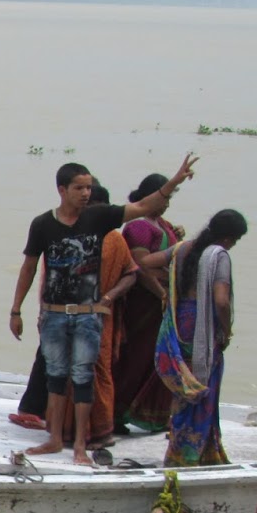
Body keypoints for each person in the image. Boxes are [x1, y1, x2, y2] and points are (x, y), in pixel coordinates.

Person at [10, 154, 196, 465]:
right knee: (56, 379)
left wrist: (174, 182)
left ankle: (81, 446)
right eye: (79, 188)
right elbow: (28, 267)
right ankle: (54, 440)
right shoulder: (42, 224)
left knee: (83, 380)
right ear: (62, 189)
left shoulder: (98, 219)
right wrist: (16, 310)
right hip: (55, 313)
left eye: (88, 188)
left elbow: (142, 208)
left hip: (87, 313)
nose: (85, 193)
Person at [56, 184, 139, 448]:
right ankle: (69, 433)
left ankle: (97, 433)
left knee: (94, 372)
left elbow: (131, 273)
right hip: (72, 314)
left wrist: (108, 297)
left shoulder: (114, 239)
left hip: (97, 315)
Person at [163, 209, 246, 466]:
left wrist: (164, 287)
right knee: (203, 384)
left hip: (182, 322)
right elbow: (220, 300)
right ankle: (193, 454)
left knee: (186, 384)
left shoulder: (184, 249)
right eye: (236, 240)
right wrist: (227, 328)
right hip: (204, 326)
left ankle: (179, 450)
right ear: (229, 238)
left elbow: (145, 262)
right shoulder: (218, 255)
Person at [116, 173, 183, 433]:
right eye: (164, 197)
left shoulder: (161, 223)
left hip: (162, 303)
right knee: (136, 357)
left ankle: (151, 413)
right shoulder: (138, 226)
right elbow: (141, 268)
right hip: (145, 303)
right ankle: (118, 413)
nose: (167, 203)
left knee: (156, 359)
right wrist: (161, 293)